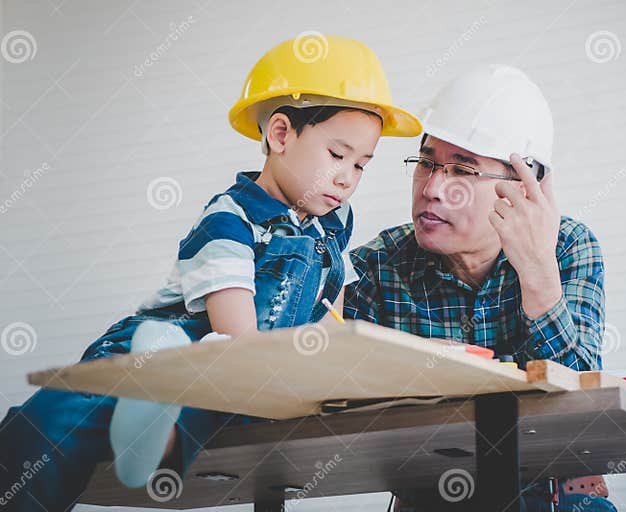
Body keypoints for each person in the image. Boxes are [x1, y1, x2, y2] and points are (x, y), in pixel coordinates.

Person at [0, 35, 421, 512]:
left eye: (362, 165)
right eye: (337, 155)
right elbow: (233, 329)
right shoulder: (230, 218)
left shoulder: (333, 226)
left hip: (236, 372)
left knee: (214, 398)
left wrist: (325, 377)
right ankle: (139, 423)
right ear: (281, 135)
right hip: (175, 345)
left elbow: (330, 317)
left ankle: (150, 445)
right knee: (53, 422)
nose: (348, 177)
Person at [344, 65, 616, 512]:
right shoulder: (383, 263)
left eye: (462, 171)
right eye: (427, 163)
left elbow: (582, 408)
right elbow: (349, 407)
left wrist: (538, 273)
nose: (432, 189)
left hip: (553, 498)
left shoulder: (568, 246)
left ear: (521, 188)